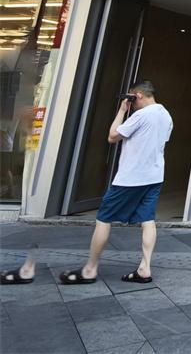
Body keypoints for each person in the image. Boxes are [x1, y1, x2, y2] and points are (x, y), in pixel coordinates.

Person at [58, 79, 172, 286]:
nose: (131, 103)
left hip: (130, 178)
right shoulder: (166, 115)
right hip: (154, 176)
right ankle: (144, 268)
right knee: (147, 219)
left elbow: (112, 136)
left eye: (131, 98)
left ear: (137, 95)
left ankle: (90, 270)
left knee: (104, 218)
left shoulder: (141, 115)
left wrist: (121, 111)